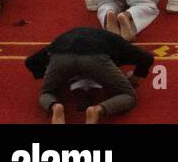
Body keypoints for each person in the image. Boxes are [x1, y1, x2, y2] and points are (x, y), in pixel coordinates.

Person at [24, 27, 152, 124]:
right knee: (129, 95)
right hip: (95, 58)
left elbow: (30, 62)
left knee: (45, 93)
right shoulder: (116, 40)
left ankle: (55, 106)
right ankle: (97, 110)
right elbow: (147, 57)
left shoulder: (63, 37)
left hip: (60, 57)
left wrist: (54, 77)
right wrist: (135, 77)